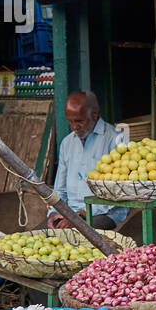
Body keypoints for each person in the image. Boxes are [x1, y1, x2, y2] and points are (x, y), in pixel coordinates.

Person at [48, 91, 128, 230]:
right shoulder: (67, 143)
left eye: (79, 121)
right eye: (70, 121)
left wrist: (80, 215)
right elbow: (60, 189)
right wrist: (54, 212)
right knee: (41, 235)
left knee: (75, 235)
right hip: (71, 214)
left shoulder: (116, 139)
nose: (74, 127)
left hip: (105, 214)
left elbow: (117, 191)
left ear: (94, 114)